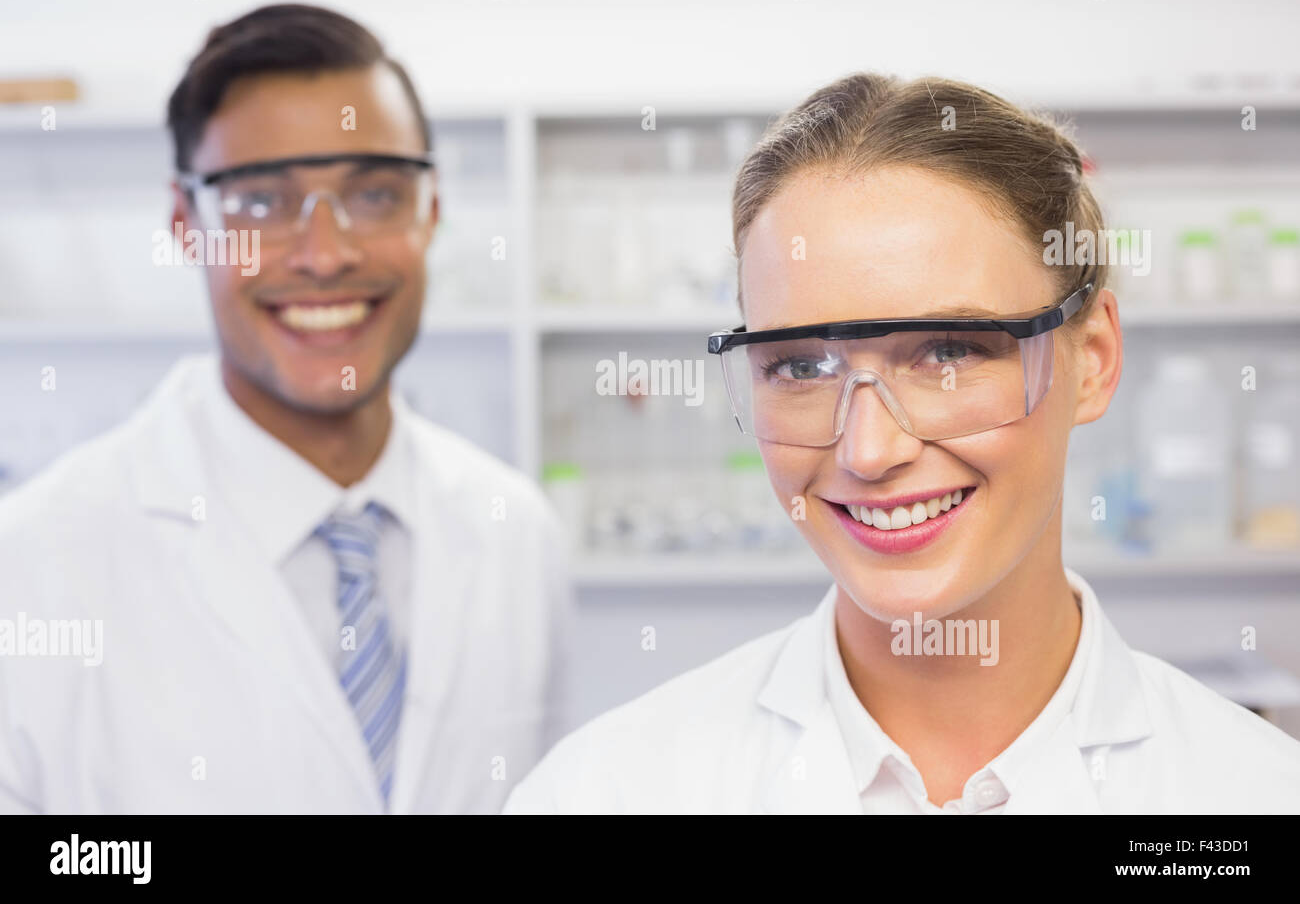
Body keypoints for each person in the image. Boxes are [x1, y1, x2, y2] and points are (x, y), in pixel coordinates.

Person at [505, 72, 1300, 814]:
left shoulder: (1247, 795)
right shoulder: (605, 790)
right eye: (802, 365)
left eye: (949, 353)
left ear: (1090, 362)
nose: (869, 451)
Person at [0, 4, 570, 813]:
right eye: (262, 203)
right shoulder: (31, 567)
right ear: (183, 224)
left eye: (373, 193)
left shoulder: (518, 533)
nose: (327, 252)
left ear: (431, 207)